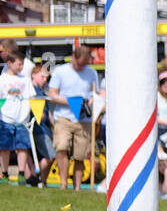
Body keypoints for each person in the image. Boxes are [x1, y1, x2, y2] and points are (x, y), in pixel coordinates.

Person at [46, 45, 98, 192]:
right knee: (61, 148)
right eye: (80, 63)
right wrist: (72, 102)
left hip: (84, 120)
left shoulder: (92, 73)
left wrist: (94, 101)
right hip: (63, 117)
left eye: (85, 64)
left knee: (80, 155)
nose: (82, 67)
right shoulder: (60, 71)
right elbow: (52, 94)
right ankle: (63, 184)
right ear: (74, 57)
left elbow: (99, 92)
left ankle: (77, 188)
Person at [0, 51, 34, 182]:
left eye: (22, 64)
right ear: (9, 63)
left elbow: (32, 96)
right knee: (4, 148)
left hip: (22, 119)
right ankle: (4, 173)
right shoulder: (2, 79)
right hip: (5, 118)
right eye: (19, 64)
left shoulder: (25, 79)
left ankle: (21, 173)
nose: (21, 67)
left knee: (23, 147)